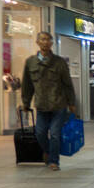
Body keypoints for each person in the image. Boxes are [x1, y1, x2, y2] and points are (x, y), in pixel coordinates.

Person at [21, 31, 77, 171]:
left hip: (58, 104)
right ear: (37, 42)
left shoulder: (59, 62)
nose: (45, 42)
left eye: (48, 40)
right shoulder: (30, 62)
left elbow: (67, 84)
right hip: (41, 105)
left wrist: (71, 103)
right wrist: (26, 102)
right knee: (40, 133)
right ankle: (48, 151)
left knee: (54, 134)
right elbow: (27, 85)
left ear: (52, 43)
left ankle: (54, 161)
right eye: (42, 40)